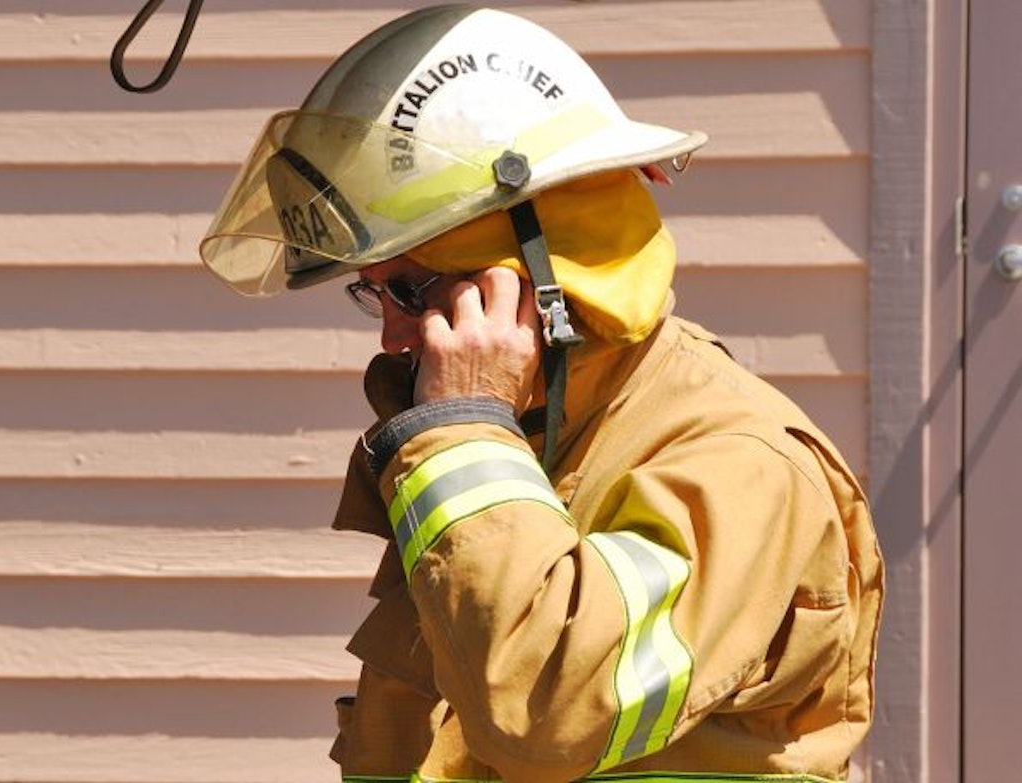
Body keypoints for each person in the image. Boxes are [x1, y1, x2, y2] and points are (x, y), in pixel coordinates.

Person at [199, 6, 884, 782]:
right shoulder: (523, 434)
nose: (393, 337)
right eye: (373, 295)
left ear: (538, 278)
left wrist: (463, 437)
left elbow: (549, 712)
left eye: (414, 289)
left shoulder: (736, 463)